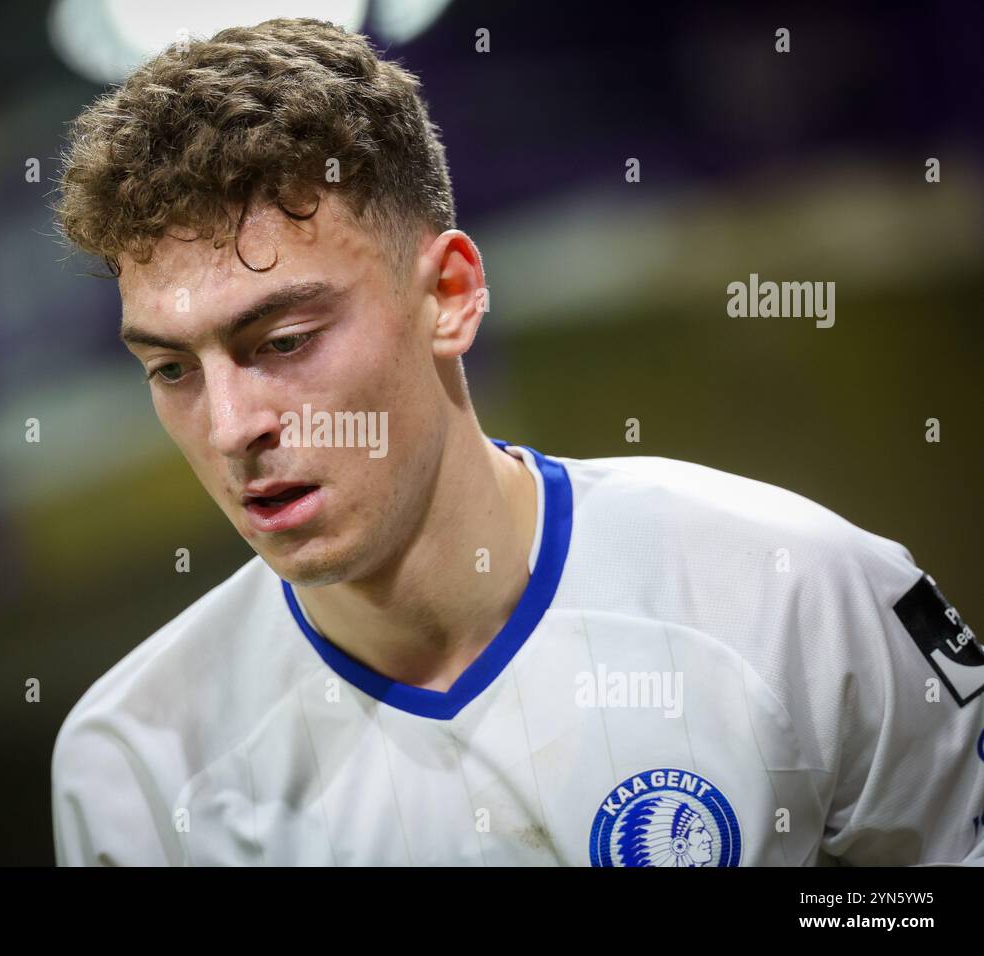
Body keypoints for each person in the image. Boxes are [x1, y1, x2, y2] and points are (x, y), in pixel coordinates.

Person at [49, 17, 983, 866]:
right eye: (171, 369)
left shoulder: (796, 598)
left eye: (283, 342)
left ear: (448, 297)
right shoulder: (137, 766)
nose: (229, 426)